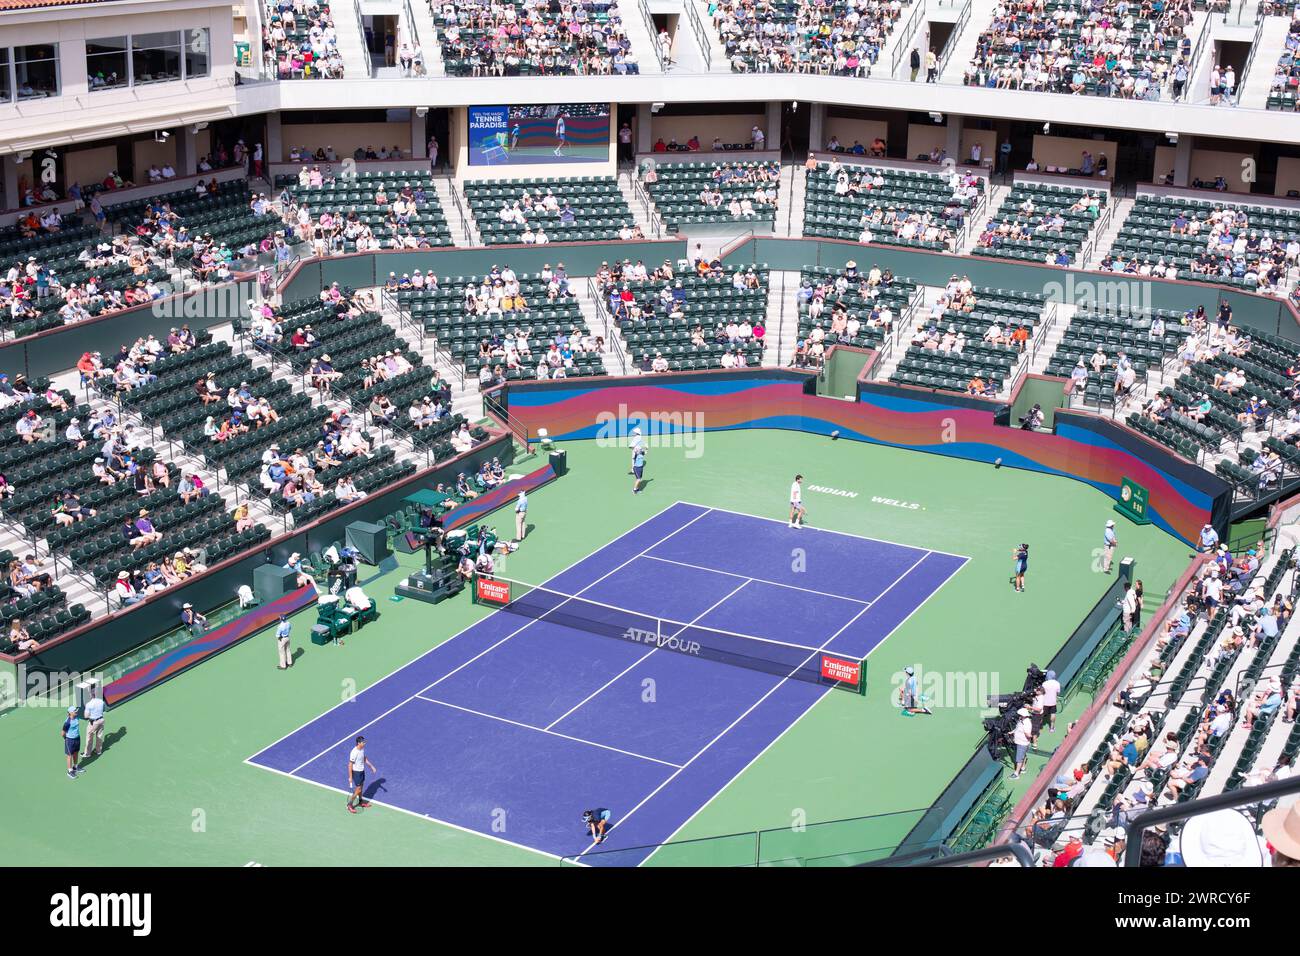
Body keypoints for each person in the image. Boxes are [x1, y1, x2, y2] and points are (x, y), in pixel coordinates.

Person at [347, 735, 376, 813]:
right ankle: (350, 804)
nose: (364, 744)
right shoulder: (354, 752)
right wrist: (350, 777)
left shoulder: (362, 749)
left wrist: (371, 766)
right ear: (359, 743)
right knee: (358, 789)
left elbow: (364, 758)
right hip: (356, 772)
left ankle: (360, 802)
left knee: (361, 787)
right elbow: (350, 765)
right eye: (363, 742)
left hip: (361, 771)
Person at [82, 691, 105, 758]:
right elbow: (102, 709)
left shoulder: (88, 704)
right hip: (101, 720)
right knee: (99, 736)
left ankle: (87, 753)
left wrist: (91, 714)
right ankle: (98, 751)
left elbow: (86, 716)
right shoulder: (101, 701)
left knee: (89, 737)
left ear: (90, 696)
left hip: (93, 723)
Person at [61, 705, 82, 779]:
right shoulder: (67, 722)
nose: (76, 712)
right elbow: (63, 733)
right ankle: (69, 771)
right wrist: (66, 739)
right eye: (75, 711)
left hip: (77, 738)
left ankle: (75, 767)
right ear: (70, 713)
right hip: (70, 740)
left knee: (76, 752)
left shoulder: (77, 717)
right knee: (69, 755)